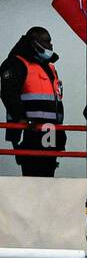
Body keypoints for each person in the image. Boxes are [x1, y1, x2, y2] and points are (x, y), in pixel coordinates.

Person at [1, 27, 64, 177]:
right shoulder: (17, 63)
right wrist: (22, 119)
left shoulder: (50, 67)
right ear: (35, 43)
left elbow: (56, 101)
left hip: (50, 133)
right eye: (46, 41)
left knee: (48, 179)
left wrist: (61, 137)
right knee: (32, 181)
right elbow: (8, 94)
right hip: (30, 133)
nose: (51, 46)